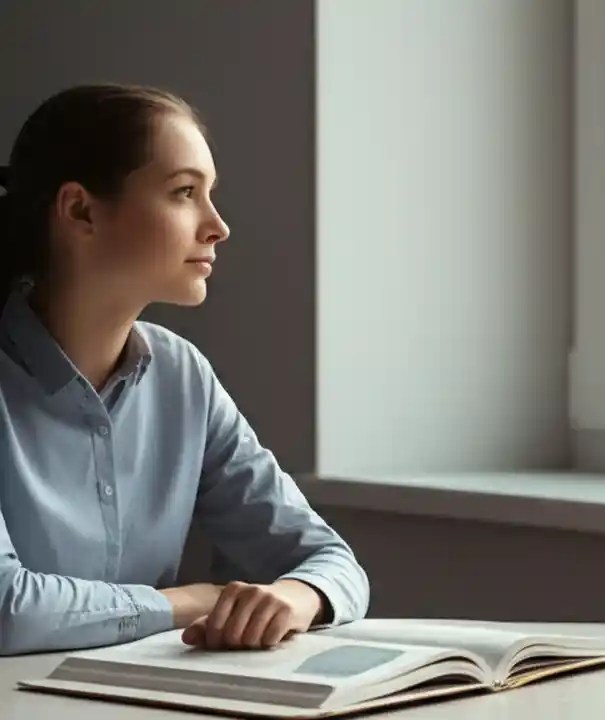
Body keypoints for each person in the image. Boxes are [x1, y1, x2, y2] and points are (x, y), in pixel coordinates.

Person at [0, 84, 369, 656]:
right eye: (184, 192)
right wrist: (191, 602)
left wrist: (296, 597)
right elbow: (7, 609)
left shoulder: (182, 376)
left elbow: (330, 562)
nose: (217, 226)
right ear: (80, 210)